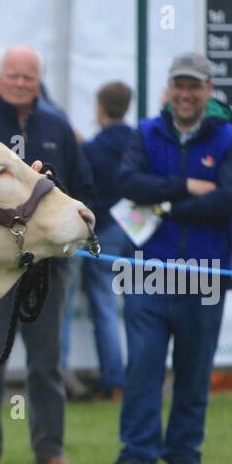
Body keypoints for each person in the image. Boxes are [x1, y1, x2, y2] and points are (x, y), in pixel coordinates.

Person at [0, 45, 95, 464]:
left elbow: (84, 189)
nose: (21, 84)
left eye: (29, 78)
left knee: (46, 365)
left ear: (39, 81)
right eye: (14, 77)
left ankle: (50, 451)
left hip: (48, 270)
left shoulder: (58, 126)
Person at [111, 53, 232, 464]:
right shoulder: (145, 132)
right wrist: (186, 187)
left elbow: (227, 200)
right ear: (168, 89)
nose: (185, 94)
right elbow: (129, 183)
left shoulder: (228, 137)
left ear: (208, 90)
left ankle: (184, 454)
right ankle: (138, 453)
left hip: (205, 274)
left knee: (194, 371)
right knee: (143, 369)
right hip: (147, 271)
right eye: (179, 85)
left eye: (194, 86)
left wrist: (164, 206)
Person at [71, 81, 135, 400]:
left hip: (106, 230)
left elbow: (85, 187)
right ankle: (136, 375)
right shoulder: (139, 142)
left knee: (105, 307)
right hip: (136, 230)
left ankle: (114, 380)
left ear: (100, 108)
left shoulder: (92, 149)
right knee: (138, 307)